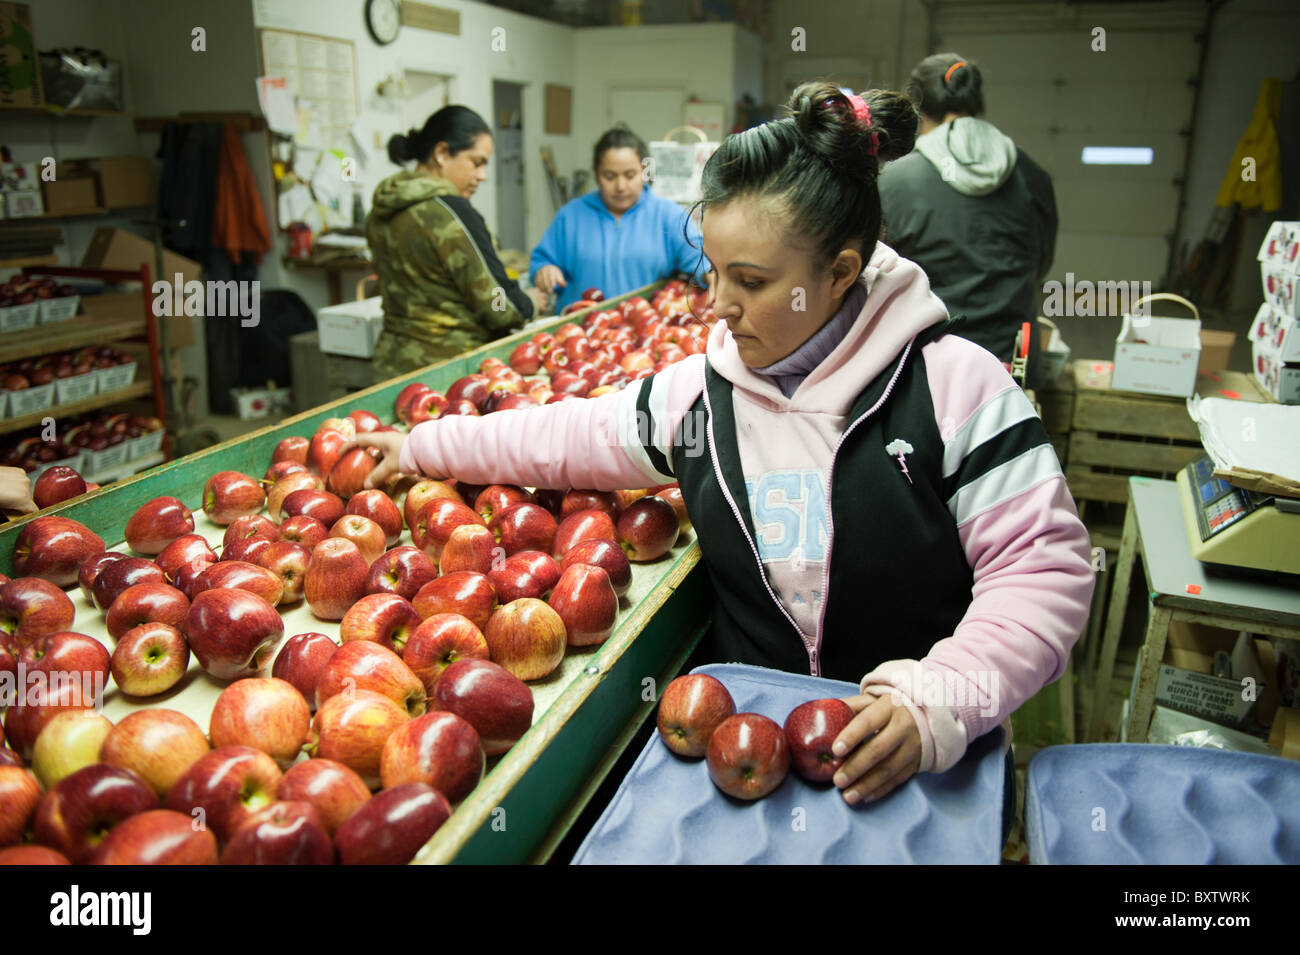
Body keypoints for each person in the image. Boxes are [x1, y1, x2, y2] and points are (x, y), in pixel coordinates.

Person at [359, 84, 1093, 833]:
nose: (717, 304)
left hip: (914, 771)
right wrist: (420, 444)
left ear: (839, 273)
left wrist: (939, 696)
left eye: (751, 281)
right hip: (752, 750)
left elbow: (1045, 570)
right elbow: (563, 436)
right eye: (713, 270)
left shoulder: (955, 388)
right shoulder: (701, 400)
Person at [879, 54, 1057, 389]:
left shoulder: (897, 180)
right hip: (1012, 366)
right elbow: (1041, 263)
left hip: (925, 369)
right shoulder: (1033, 177)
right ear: (978, 102)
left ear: (918, 107)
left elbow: (873, 277)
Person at [367, 106, 547, 379]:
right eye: (477, 162)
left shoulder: (382, 209)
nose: (483, 175)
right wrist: (529, 303)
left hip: (391, 368)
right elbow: (498, 306)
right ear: (441, 154)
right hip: (449, 373)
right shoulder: (451, 213)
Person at [530, 126, 708, 311]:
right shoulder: (570, 216)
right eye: (610, 176)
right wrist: (544, 270)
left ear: (644, 171)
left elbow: (699, 258)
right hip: (580, 331)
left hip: (644, 332)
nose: (621, 186)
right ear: (597, 175)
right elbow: (541, 262)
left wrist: (711, 274)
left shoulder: (668, 215)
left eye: (630, 175)